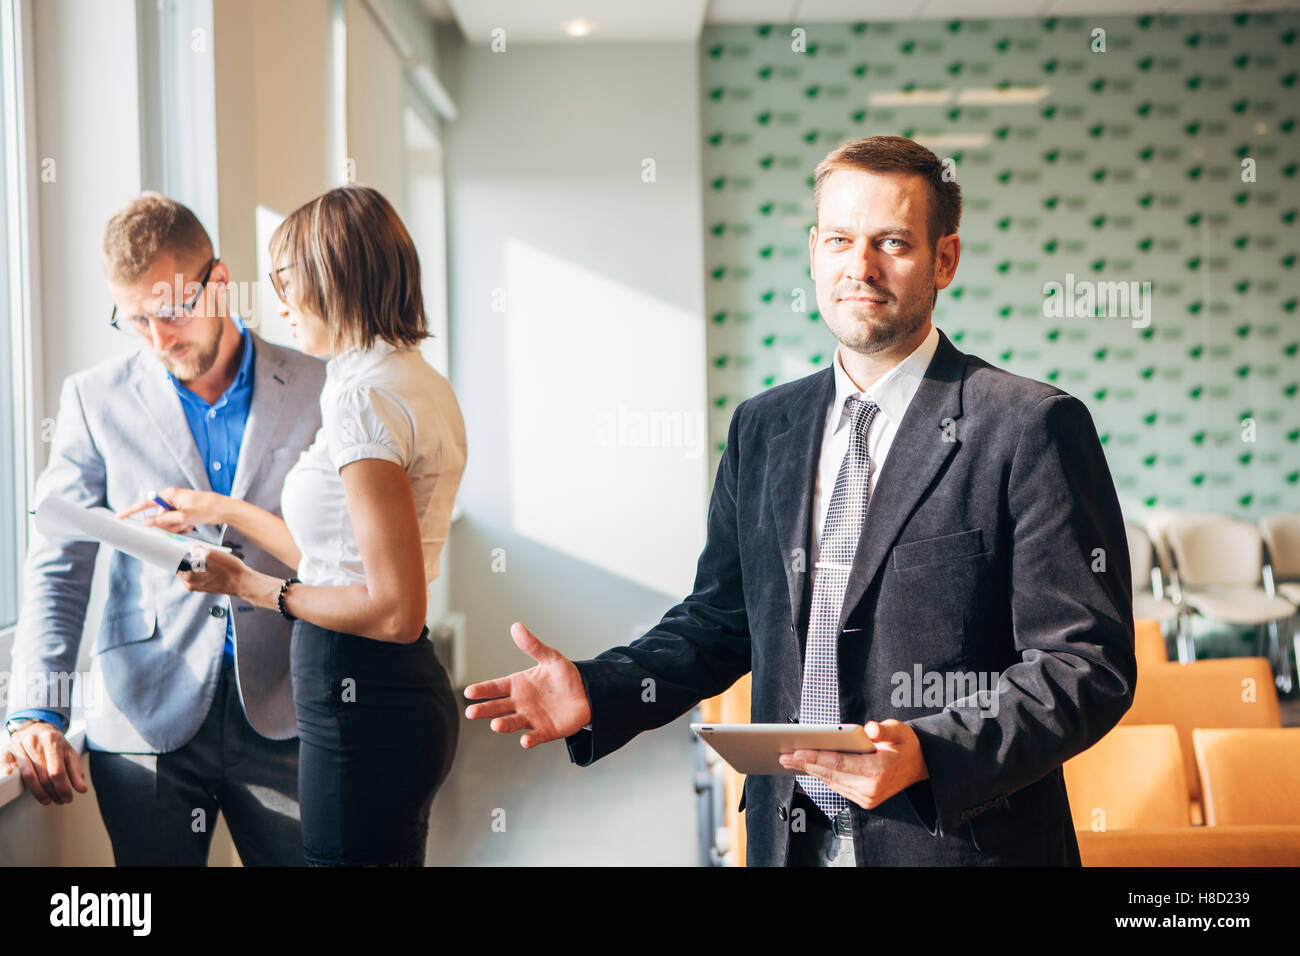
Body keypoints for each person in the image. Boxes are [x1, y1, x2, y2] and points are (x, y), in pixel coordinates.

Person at [465, 135, 1137, 866]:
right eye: (841, 239)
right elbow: (721, 620)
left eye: (892, 242)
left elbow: (1086, 665)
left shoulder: (1029, 426)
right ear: (814, 250)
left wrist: (930, 751)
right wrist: (602, 690)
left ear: (945, 259)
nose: (861, 266)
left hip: (952, 844)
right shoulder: (764, 428)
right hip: (790, 841)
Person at [123, 185, 467, 866]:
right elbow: (335, 559)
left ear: (335, 277)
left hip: (362, 695)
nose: (278, 301)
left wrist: (255, 589)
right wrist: (218, 509)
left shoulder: (359, 398)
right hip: (390, 693)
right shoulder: (409, 377)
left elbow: (394, 609)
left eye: (287, 280)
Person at [3, 193, 325, 865]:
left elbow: (346, 554)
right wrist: (37, 711)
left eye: (172, 312)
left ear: (219, 281)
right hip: (143, 718)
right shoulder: (93, 400)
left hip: (290, 708)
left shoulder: (317, 386)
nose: (158, 340)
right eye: (135, 319)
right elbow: (60, 562)